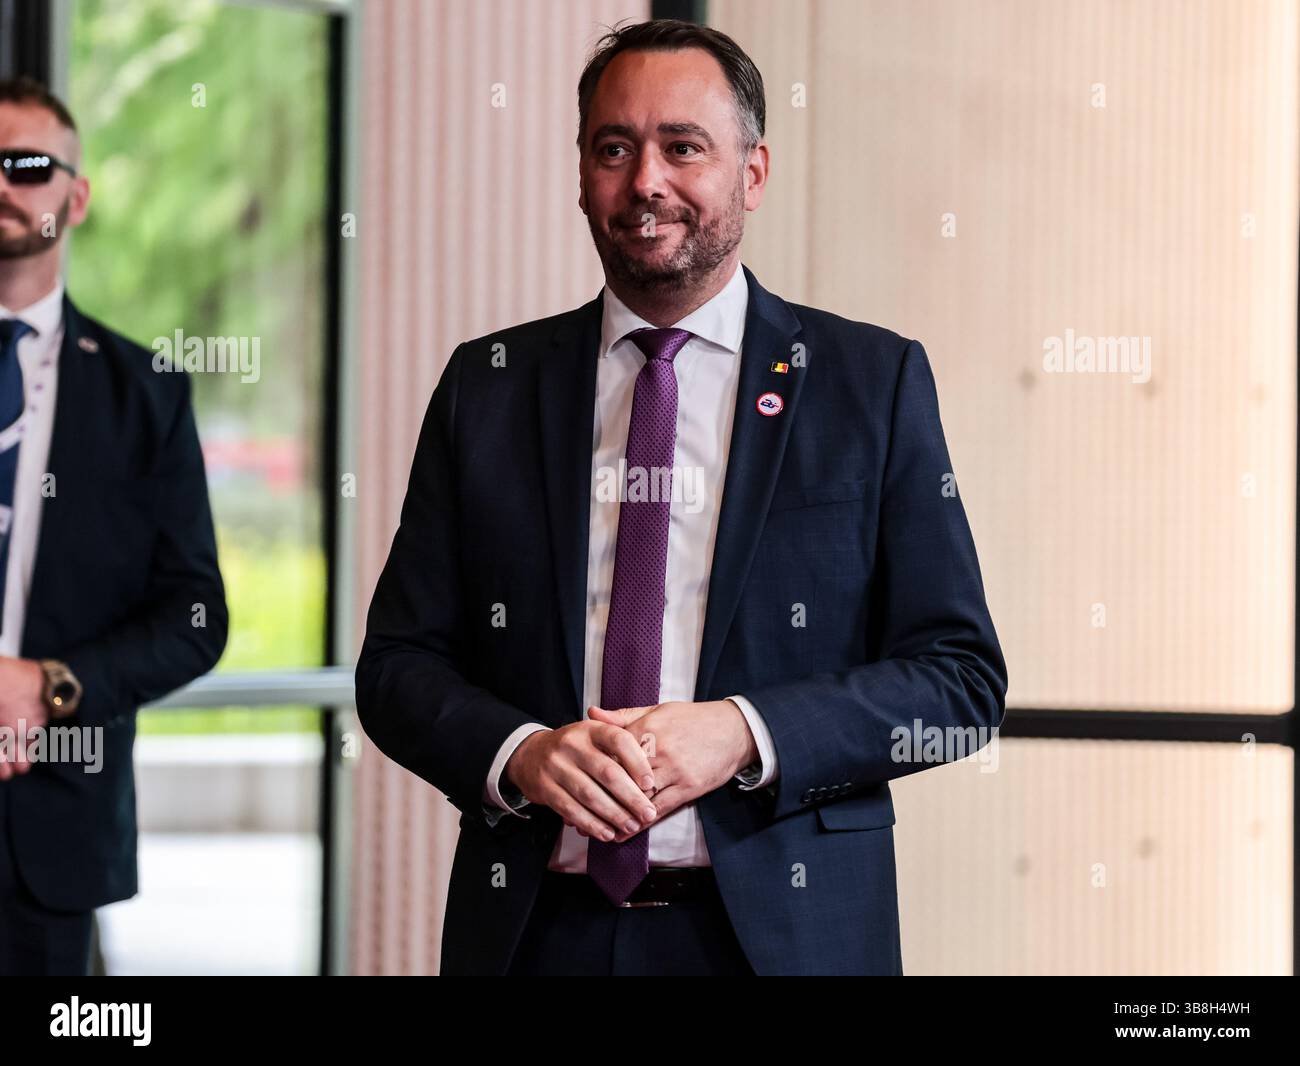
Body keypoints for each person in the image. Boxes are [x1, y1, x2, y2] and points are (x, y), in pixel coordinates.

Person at [355, 19, 1006, 976]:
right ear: (581, 175)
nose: (645, 181)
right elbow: (397, 667)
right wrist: (522, 753)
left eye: (683, 147)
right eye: (613, 148)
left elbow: (960, 682)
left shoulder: (872, 382)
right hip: (538, 935)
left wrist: (745, 732)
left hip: (783, 939)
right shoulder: (488, 384)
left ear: (753, 172)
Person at [0, 77, 228, 975]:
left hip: (52, 845)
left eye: (28, 165)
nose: (4, 185)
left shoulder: (147, 395)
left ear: (76, 196)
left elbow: (195, 619)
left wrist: (46, 687)